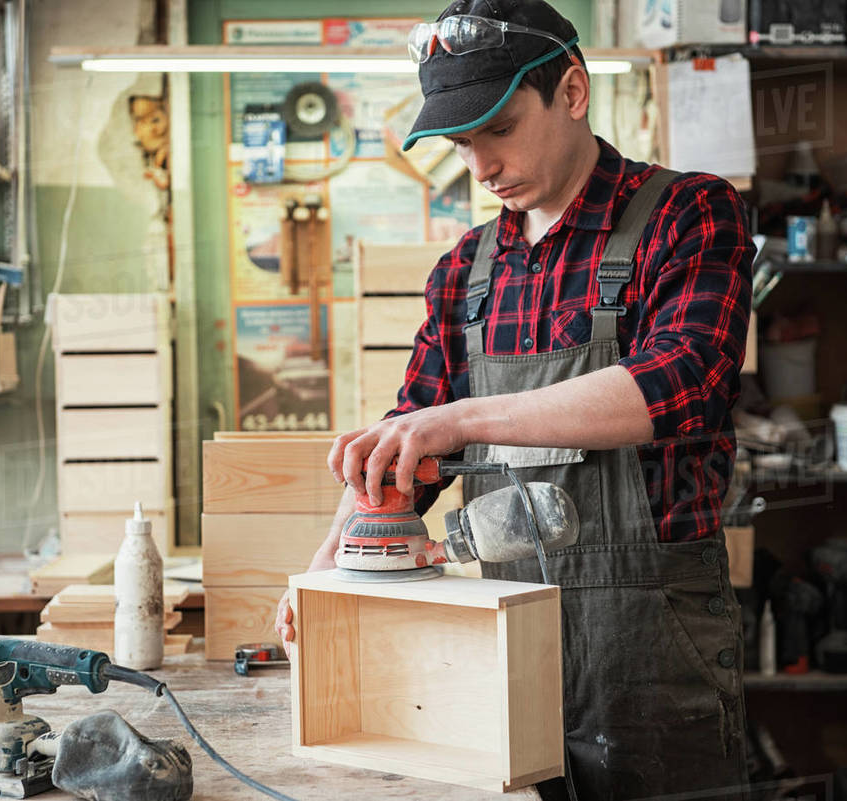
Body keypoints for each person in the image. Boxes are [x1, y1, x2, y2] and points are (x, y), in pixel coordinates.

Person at [276, 1, 753, 798]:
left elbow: (683, 380)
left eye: (499, 128)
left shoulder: (688, 213)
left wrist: (459, 418)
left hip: (651, 646)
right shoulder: (465, 271)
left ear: (571, 91)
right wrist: (330, 570)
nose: (481, 165)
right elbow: (412, 452)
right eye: (463, 143)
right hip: (496, 639)